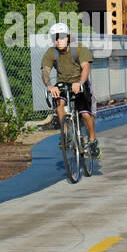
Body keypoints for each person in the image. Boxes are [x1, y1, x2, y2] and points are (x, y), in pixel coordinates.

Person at [41, 22, 99, 157]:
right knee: (59, 104)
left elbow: (86, 67)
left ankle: (92, 140)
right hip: (63, 83)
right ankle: (66, 135)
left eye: (61, 37)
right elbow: (45, 71)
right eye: (55, 38)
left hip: (79, 83)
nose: (58, 40)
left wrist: (80, 82)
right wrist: (49, 85)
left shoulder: (78, 48)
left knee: (85, 114)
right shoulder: (51, 52)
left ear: (68, 37)